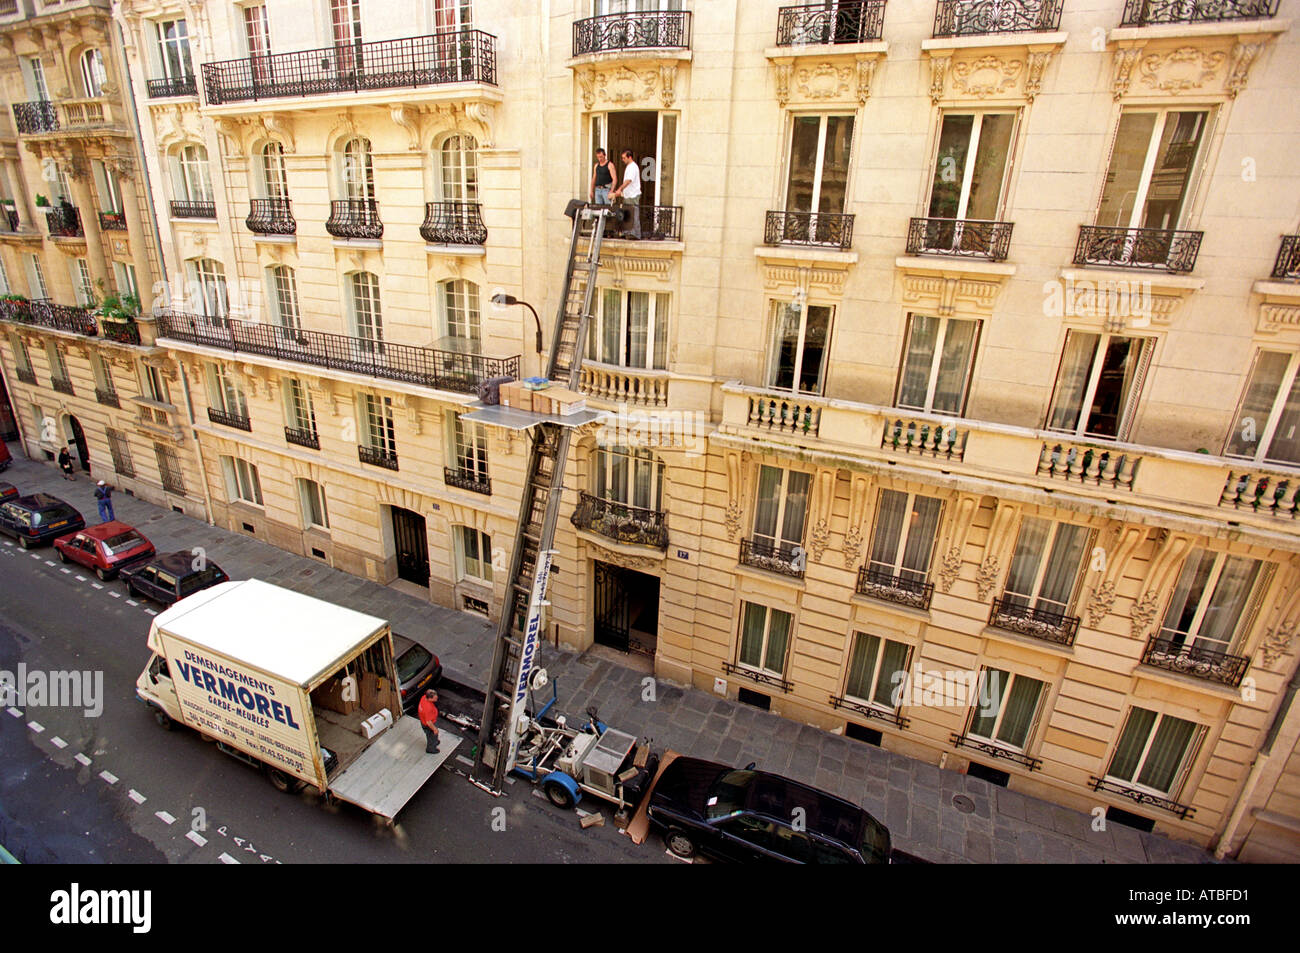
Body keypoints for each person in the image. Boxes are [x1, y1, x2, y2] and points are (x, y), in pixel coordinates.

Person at [610, 148, 642, 239]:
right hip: (629, 194)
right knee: (628, 213)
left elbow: (628, 181)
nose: (622, 160)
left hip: (633, 195)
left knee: (633, 213)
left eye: (624, 158)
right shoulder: (629, 166)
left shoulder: (633, 167)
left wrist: (619, 189)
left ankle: (635, 234)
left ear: (630, 157)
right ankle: (628, 232)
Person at [418, 689, 440, 754]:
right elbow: (428, 722)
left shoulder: (424, 697)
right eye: (435, 698)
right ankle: (431, 749)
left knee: (432, 736)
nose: (437, 698)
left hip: (423, 720)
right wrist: (434, 729)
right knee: (431, 736)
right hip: (429, 724)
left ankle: (435, 741)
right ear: (430, 698)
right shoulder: (428, 708)